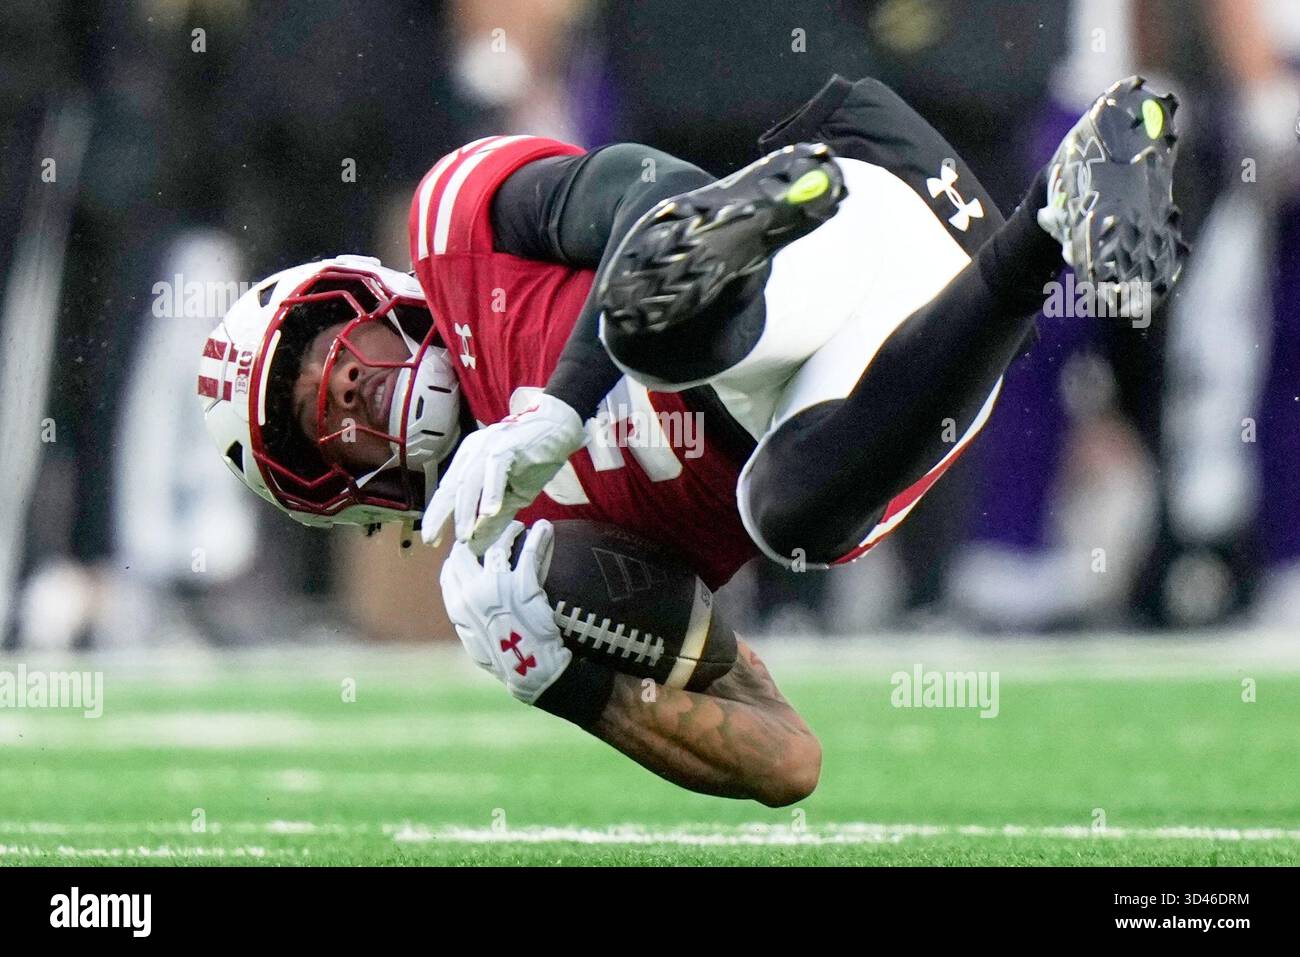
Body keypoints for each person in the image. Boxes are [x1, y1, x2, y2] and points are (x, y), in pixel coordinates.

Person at [197, 75, 1184, 802]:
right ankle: (1058, 214)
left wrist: (558, 406)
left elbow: (649, 187)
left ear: (372, 300)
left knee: (652, 320)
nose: (361, 398)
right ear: (346, 487)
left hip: (839, 230)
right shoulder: (520, 558)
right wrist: (576, 689)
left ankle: (734, 252)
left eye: (344, 358)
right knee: (787, 514)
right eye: (330, 423)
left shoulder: (459, 225)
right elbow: (786, 759)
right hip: (891, 389)